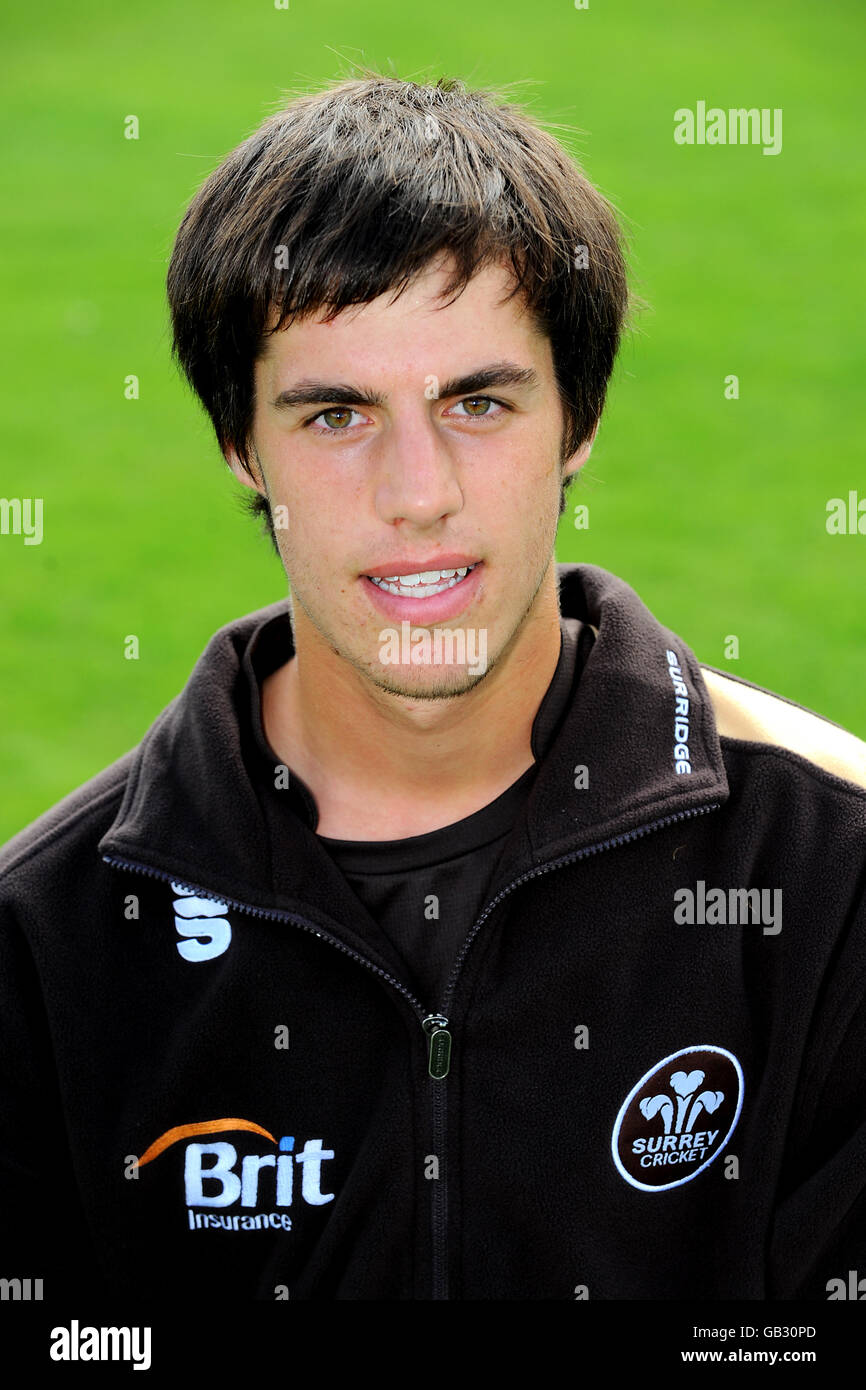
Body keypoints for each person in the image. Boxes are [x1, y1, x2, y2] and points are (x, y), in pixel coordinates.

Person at [2, 70, 866, 1304]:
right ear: (241, 446)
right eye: (337, 414)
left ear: (576, 421)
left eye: (475, 401)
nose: (418, 493)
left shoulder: (829, 871)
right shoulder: (46, 945)